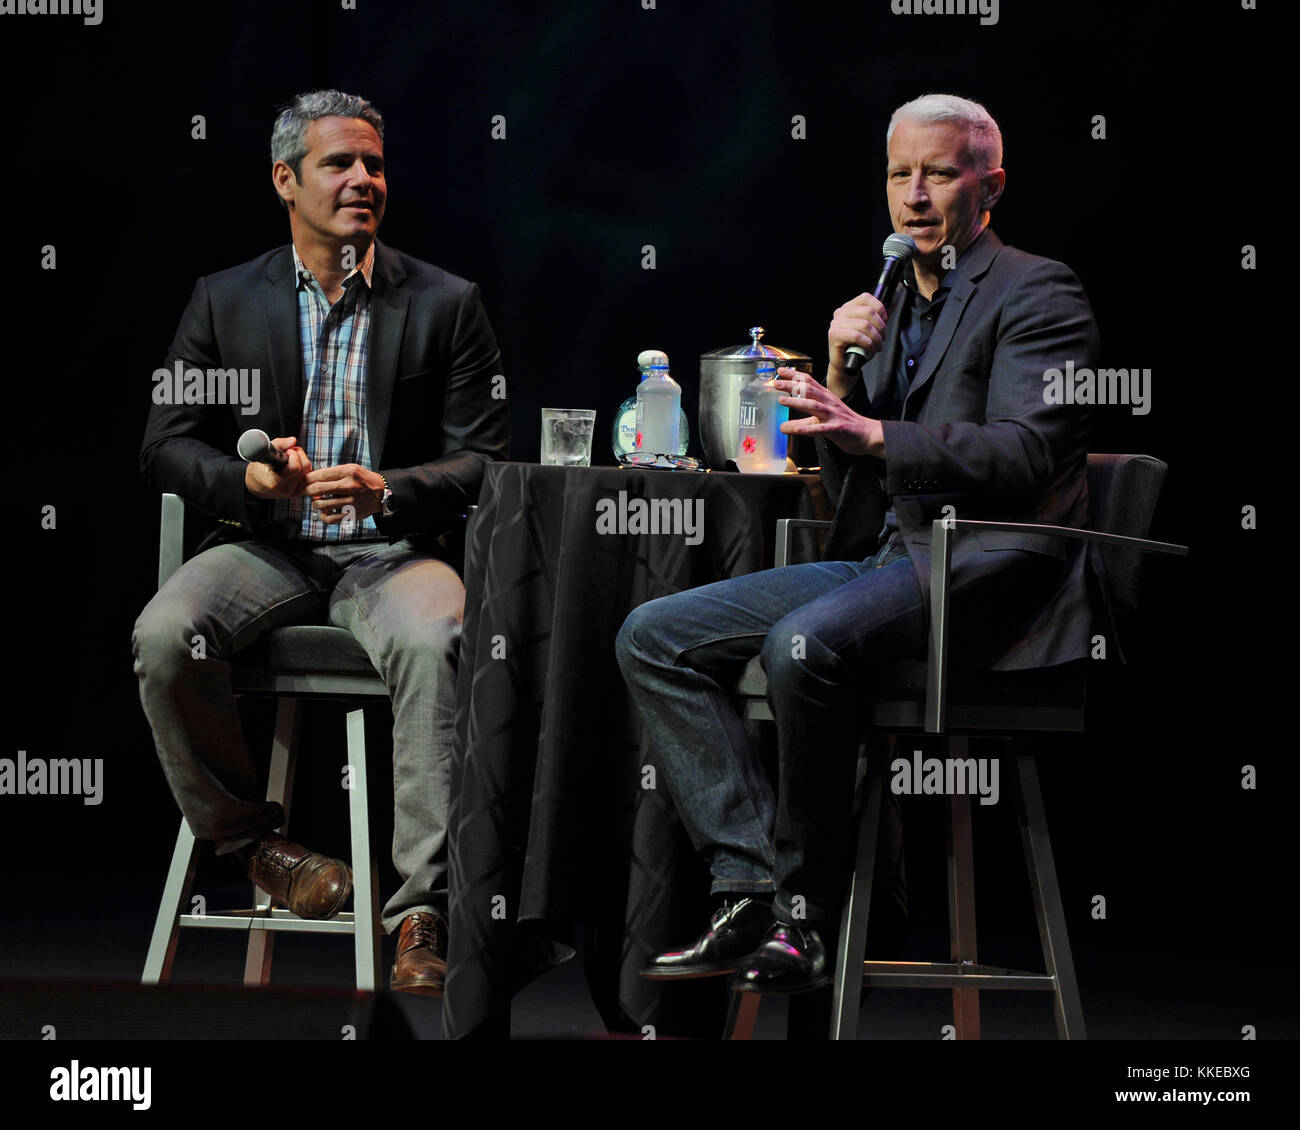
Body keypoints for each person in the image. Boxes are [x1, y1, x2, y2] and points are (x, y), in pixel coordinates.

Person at [616, 93, 1098, 993]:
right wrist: (839, 375)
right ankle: (752, 884)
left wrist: (870, 430)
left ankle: (807, 921)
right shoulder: (886, 304)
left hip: (992, 562)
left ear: (989, 186)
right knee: (653, 634)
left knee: (804, 645)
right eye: (899, 174)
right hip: (891, 557)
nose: (915, 195)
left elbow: (1031, 448)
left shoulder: (1038, 289)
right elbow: (850, 496)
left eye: (940, 174)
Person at [133, 89, 509, 996]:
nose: (362, 180)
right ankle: (258, 846)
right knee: (160, 637)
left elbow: (488, 462)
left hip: (390, 555)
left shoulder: (446, 303)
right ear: (285, 180)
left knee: (439, 637)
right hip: (265, 548)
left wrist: (392, 487)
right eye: (339, 163)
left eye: (374, 164)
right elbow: (165, 443)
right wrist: (250, 480)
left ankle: (420, 912)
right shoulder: (224, 301)